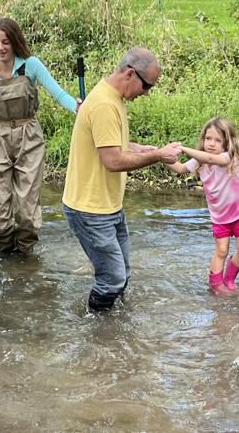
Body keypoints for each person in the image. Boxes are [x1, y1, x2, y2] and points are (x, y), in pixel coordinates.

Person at [62, 46, 182, 312]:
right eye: (147, 85)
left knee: (122, 273)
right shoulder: (105, 104)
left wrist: (144, 149)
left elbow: (110, 143)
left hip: (107, 205)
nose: (147, 93)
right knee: (112, 278)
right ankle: (98, 335)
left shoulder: (112, 96)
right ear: (130, 74)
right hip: (90, 208)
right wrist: (158, 157)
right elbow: (113, 160)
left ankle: (115, 328)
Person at [0, 17, 80, 254]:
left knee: (27, 210)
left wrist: (77, 107)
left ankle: (25, 256)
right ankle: (5, 252)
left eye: (5, 42)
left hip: (30, 138)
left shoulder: (31, 65)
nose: (0, 48)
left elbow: (58, 93)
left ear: (15, 42)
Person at [166, 117, 239, 295]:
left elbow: (211, 158)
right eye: (208, 139)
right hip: (220, 216)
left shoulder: (228, 157)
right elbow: (181, 168)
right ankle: (216, 286)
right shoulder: (200, 161)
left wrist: (182, 148)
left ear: (227, 143)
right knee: (221, 251)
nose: (211, 143)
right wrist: (159, 156)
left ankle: (228, 278)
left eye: (217, 140)